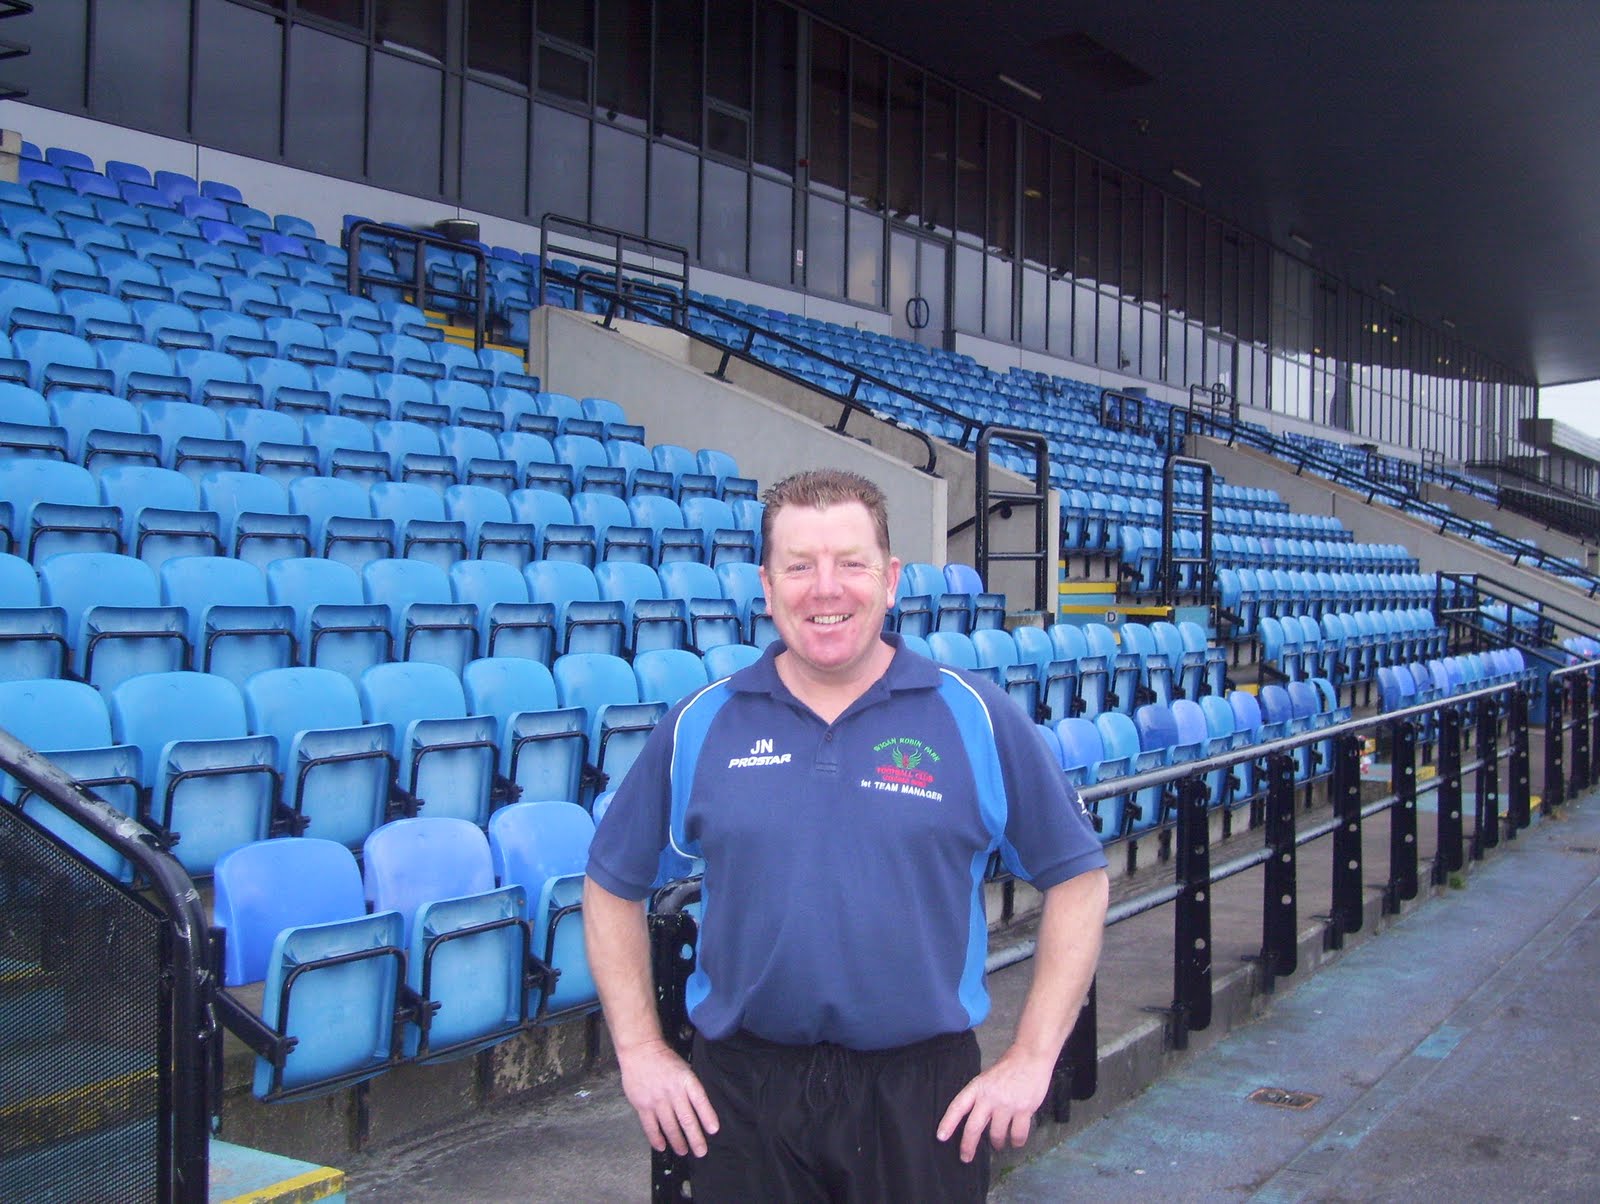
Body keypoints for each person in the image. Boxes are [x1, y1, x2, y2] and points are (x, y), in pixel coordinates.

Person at [584, 467, 1109, 1202]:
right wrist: (641, 1049)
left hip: (923, 1100)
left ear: (890, 580)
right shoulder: (702, 723)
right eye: (799, 566)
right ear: (766, 586)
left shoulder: (974, 715)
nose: (825, 590)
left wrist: (1032, 1055)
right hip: (742, 1098)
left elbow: (1079, 878)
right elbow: (611, 883)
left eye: (851, 564)